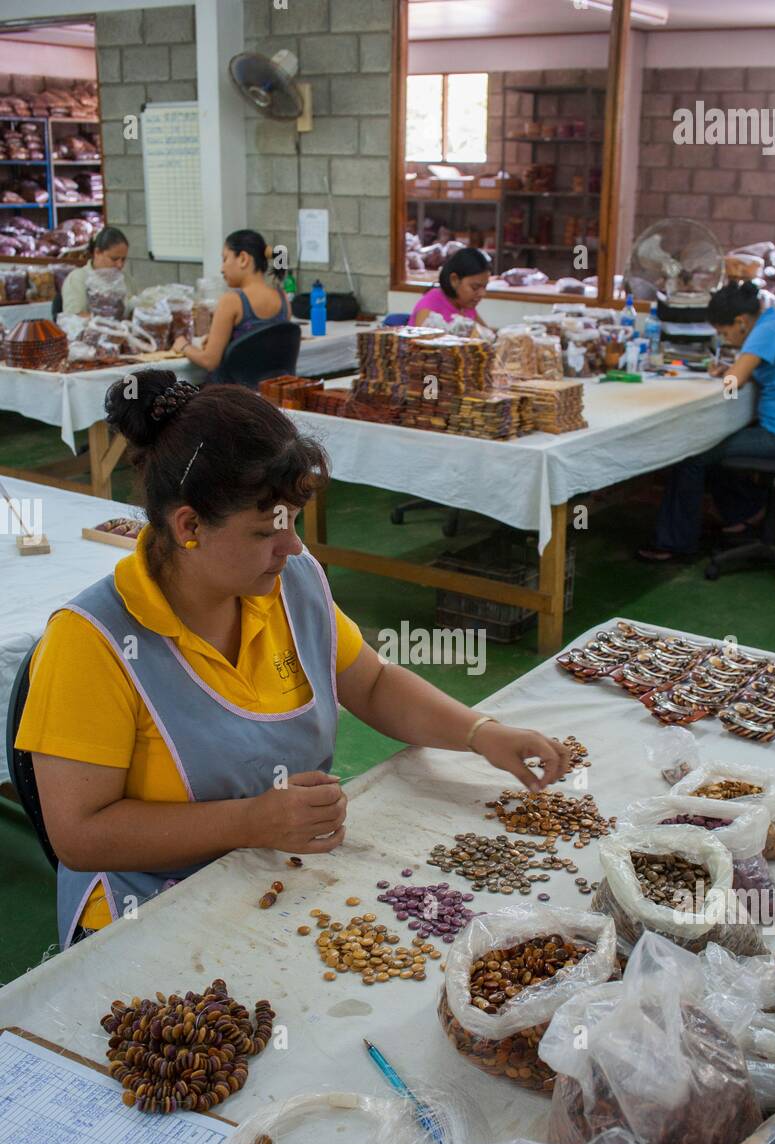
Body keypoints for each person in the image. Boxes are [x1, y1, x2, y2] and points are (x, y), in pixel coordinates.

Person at [16, 370, 568, 950]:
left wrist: (481, 733)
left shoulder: (290, 583)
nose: (295, 547)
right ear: (189, 526)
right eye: (266, 532)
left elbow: (374, 684)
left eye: (294, 522)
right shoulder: (94, 642)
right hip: (148, 912)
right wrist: (253, 821)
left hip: (276, 877)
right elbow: (80, 835)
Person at [638, 281, 775, 562]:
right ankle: (747, 510)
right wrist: (731, 369)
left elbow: (733, 386)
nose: (724, 340)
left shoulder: (765, 332)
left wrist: (729, 374)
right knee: (712, 447)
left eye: (724, 333)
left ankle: (673, 543)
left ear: (741, 322)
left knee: (691, 455)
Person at [173, 229, 290, 380]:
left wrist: (183, 346)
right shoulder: (283, 299)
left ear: (243, 259)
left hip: (234, 397)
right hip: (268, 393)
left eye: (225, 259)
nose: (222, 269)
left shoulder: (232, 301)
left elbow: (209, 361)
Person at [408, 247, 491, 328]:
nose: (482, 293)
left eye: (484, 287)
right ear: (454, 280)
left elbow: (488, 336)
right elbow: (422, 340)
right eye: (475, 287)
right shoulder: (430, 306)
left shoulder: (466, 306)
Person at [60, 225, 131, 317]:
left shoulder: (125, 279)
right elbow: (74, 316)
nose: (120, 265)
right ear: (97, 252)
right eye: (114, 259)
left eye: (123, 259)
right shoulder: (78, 279)